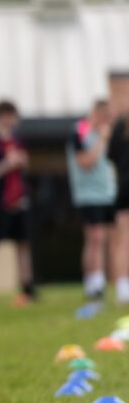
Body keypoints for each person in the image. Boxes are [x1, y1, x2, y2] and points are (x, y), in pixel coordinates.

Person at [0, 100, 35, 305]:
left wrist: (21, 161)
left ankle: (27, 287)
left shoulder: (18, 140)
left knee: (23, 243)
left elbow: (24, 166)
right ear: (0, 116)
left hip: (20, 200)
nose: (12, 121)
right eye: (8, 116)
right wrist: (6, 164)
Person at [66, 100, 116, 302]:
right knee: (94, 237)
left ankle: (99, 282)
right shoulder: (81, 131)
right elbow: (85, 162)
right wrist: (101, 140)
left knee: (101, 238)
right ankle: (92, 283)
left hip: (106, 193)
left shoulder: (105, 132)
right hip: (88, 195)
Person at [109, 110, 129, 304]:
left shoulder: (120, 125)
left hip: (123, 187)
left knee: (123, 241)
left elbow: (110, 156)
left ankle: (123, 289)